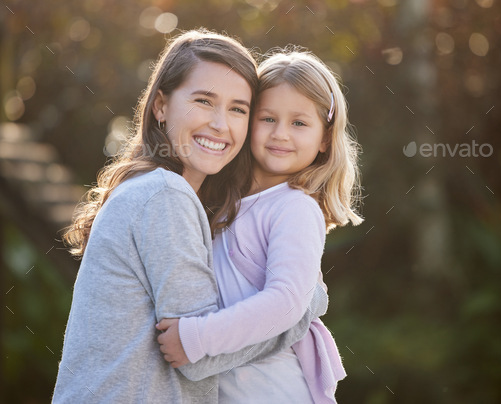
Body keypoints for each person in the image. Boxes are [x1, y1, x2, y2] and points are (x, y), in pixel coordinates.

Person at [52, 30, 327, 403]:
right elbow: (196, 356)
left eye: (237, 109)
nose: (219, 123)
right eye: (203, 100)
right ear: (160, 106)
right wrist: (306, 302)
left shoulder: (157, 192)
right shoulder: (165, 196)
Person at [156, 50, 363, 403]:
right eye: (268, 118)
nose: (281, 134)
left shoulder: (295, 208)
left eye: (299, 123)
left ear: (325, 139)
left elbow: (285, 303)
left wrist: (196, 338)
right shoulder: (224, 202)